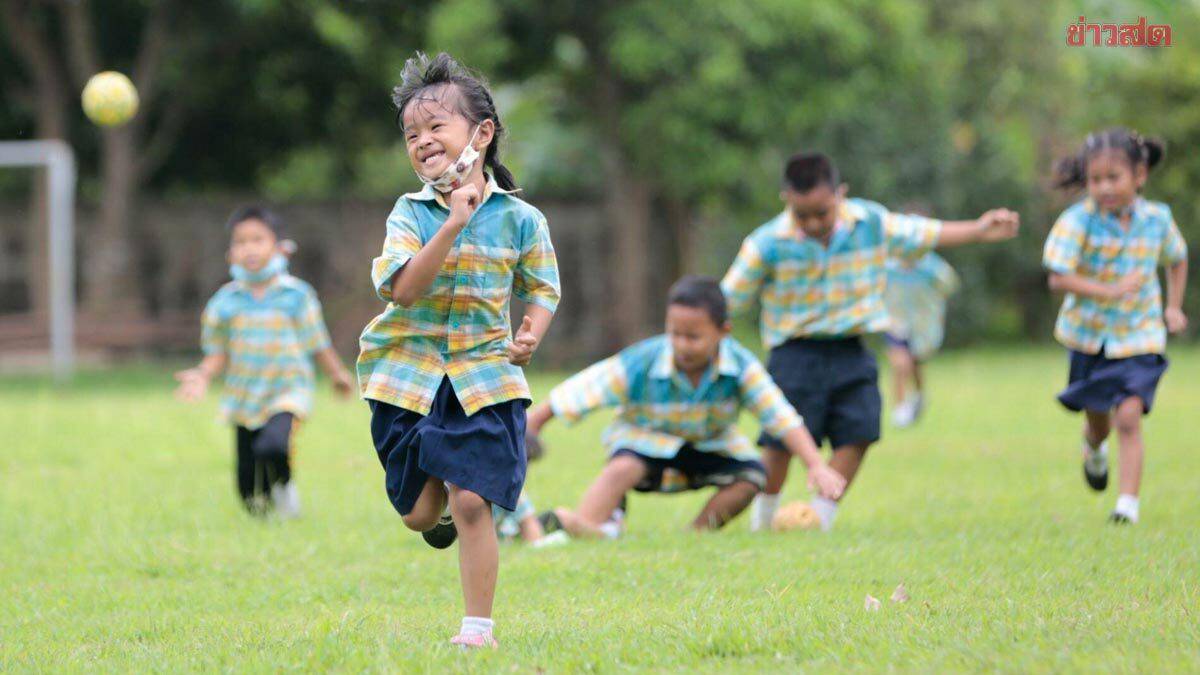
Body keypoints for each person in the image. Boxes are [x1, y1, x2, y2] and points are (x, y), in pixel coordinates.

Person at [357, 52, 561, 648]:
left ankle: (477, 633)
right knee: (421, 515)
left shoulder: (522, 219)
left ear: (482, 133)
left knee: (473, 501)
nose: (421, 142)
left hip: (484, 378)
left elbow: (543, 286)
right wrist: (450, 224)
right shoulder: (409, 213)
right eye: (410, 134)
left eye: (435, 127)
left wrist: (531, 332)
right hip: (406, 377)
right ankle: (438, 511)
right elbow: (402, 288)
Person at [722, 151, 1019, 532]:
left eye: (822, 213)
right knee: (781, 441)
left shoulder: (870, 222)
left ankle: (821, 518)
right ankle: (763, 521)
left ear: (840, 194)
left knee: (860, 431)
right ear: (786, 200)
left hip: (852, 349)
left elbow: (924, 233)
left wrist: (978, 229)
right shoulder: (766, 243)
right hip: (794, 353)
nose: (813, 223)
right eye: (802, 215)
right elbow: (728, 298)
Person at [526, 276, 844, 538]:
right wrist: (536, 422)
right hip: (644, 443)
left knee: (751, 477)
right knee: (622, 468)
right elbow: (585, 389)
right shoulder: (644, 360)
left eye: (693, 337)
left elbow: (781, 416)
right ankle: (582, 527)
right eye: (675, 334)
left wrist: (816, 464)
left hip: (709, 446)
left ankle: (697, 534)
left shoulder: (741, 367)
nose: (681, 345)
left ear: (723, 332)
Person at [1043, 127, 1188, 524]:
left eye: (1113, 178)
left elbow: (1177, 258)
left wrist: (1173, 307)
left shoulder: (1157, 220)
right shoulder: (1078, 221)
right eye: (1095, 180)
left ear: (1139, 176)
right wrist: (1106, 291)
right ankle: (1093, 448)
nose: (1104, 188)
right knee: (1099, 422)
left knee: (1129, 415)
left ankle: (1127, 504)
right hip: (1089, 338)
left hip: (1140, 334)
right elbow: (1057, 277)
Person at [175, 206, 354, 518]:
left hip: (287, 391)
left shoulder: (297, 295)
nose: (249, 248)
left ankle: (285, 488)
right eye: (241, 242)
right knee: (248, 489)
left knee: (272, 446)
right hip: (244, 397)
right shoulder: (225, 301)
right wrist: (202, 375)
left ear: (280, 247)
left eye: (258, 240)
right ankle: (265, 510)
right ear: (231, 254)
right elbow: (218, 352)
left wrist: (337, 375)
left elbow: (317, 341)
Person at [884, 251, 960, 427]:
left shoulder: (931, 267)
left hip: (923, 327)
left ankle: (919, 396)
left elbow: (949, 285)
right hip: (895, 322)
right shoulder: (888, 266)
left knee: (916, 364)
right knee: (900, 363)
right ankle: (900, 410)